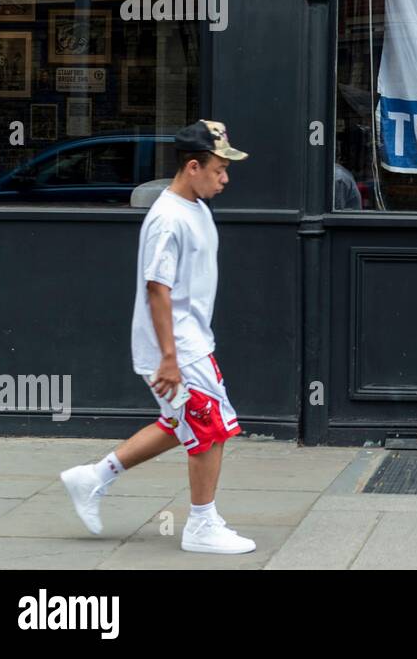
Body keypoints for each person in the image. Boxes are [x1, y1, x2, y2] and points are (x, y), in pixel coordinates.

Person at [60, 120, 255, 554]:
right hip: (178, 348)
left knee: (178, 424)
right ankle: (201, 526)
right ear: (192, 166)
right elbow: (157, 290)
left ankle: (92, 478)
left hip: (190, 342)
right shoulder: (168, 219)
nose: (225, 179)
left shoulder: (196, 208)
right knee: (209, 428)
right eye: (219, 170)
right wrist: (169, 358)